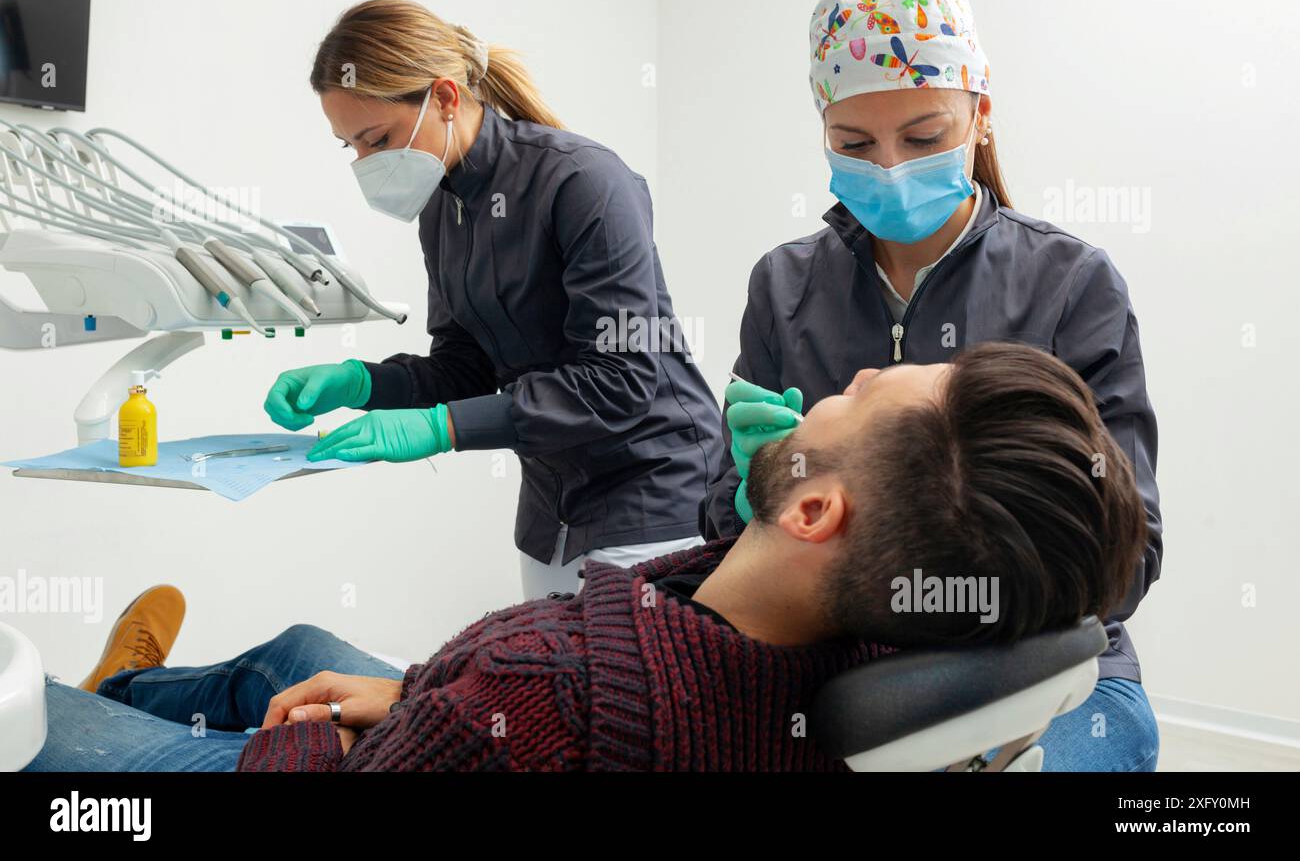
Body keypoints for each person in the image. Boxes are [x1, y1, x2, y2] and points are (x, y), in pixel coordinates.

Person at [26, 343, 1150, 772]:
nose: (823, 389)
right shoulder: (865, 631)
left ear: (813, 512)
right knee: (304, 646)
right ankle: (129, 689)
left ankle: (111, 712)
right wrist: (417, 690)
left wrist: (368, 730)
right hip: (446, 716)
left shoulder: (541, 687)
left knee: (23, 708)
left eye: (847, 400)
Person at [703, 0, 1164, 771]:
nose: (887, 167)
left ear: (980, 116)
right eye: (853, 143)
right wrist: (750, 490)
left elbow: (1130, 553)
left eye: (923, 138)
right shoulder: (784, 286)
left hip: (1039, 667)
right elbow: (720, 521)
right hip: (832, 662)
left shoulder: (1069, 286)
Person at [263, 0, 721, 598]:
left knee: (623, 691)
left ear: (446, 98)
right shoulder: (442, 208)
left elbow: (622, 377)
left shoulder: (583, 182)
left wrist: (444, 427)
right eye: (351, 146)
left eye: (377, 139)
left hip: (655, 502)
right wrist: (363, 383)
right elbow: (467, 366)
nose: (365, 163)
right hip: (551, 516)